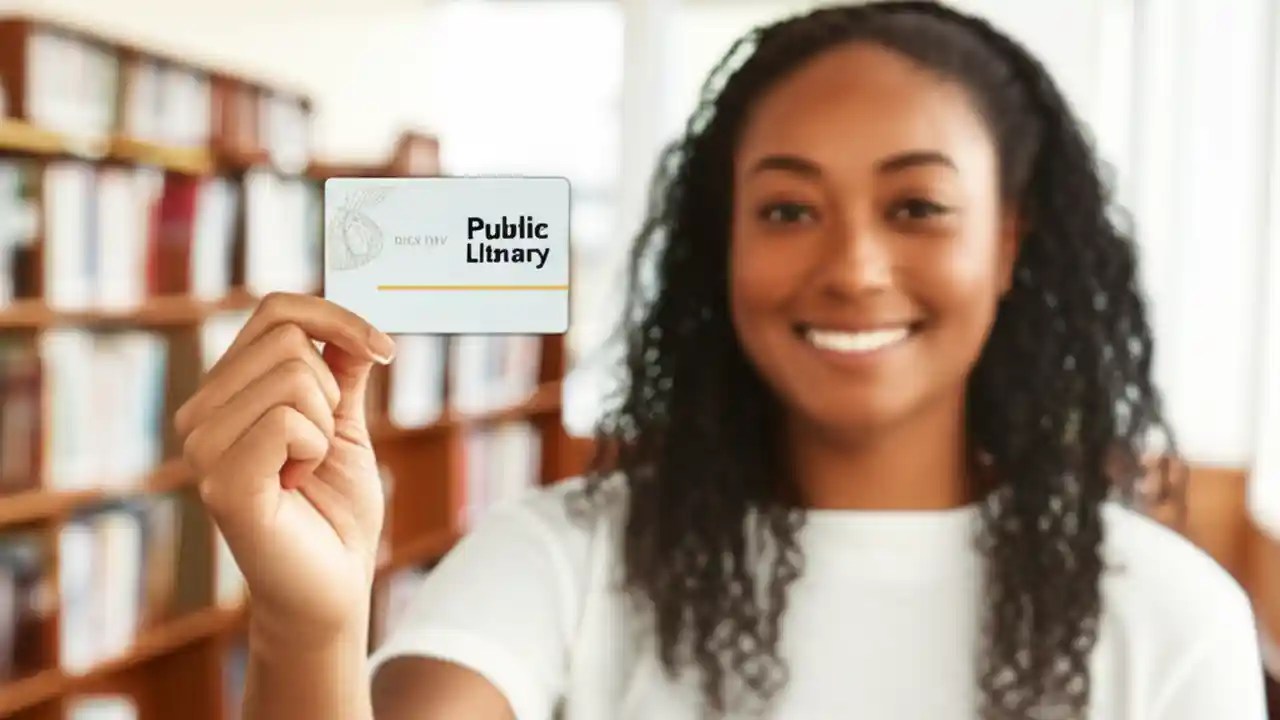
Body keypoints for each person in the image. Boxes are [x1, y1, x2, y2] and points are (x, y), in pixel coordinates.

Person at [175, 2, 1270, 718]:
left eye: (917, 206)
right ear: (723, 247)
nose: (849, 266)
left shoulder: (1167, 616)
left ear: (1009, 242)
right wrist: (306, 622)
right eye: (787, 206)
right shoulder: (558, 559)